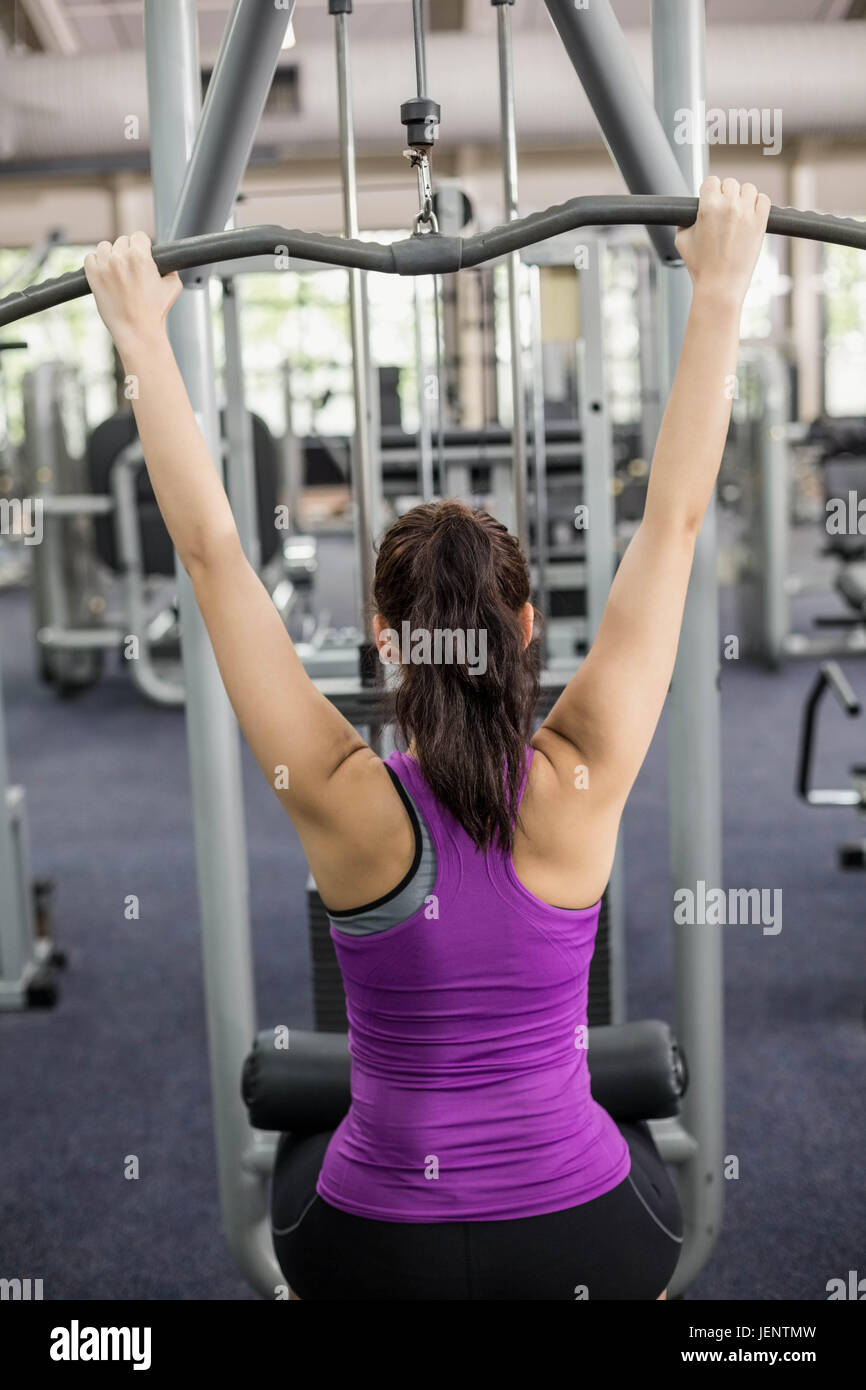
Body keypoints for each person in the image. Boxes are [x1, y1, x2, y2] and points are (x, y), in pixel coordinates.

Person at [85, 175, 770, 1301]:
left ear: (384, 640)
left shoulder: (342, 794)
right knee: (641, 1165)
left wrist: (140, 340)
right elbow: (674, 519)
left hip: (373, 1250)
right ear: (526, 627)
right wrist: (720, 290)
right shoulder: (578, 773)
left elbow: (212, 551)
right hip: (580, 1246)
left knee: (303, 1158)